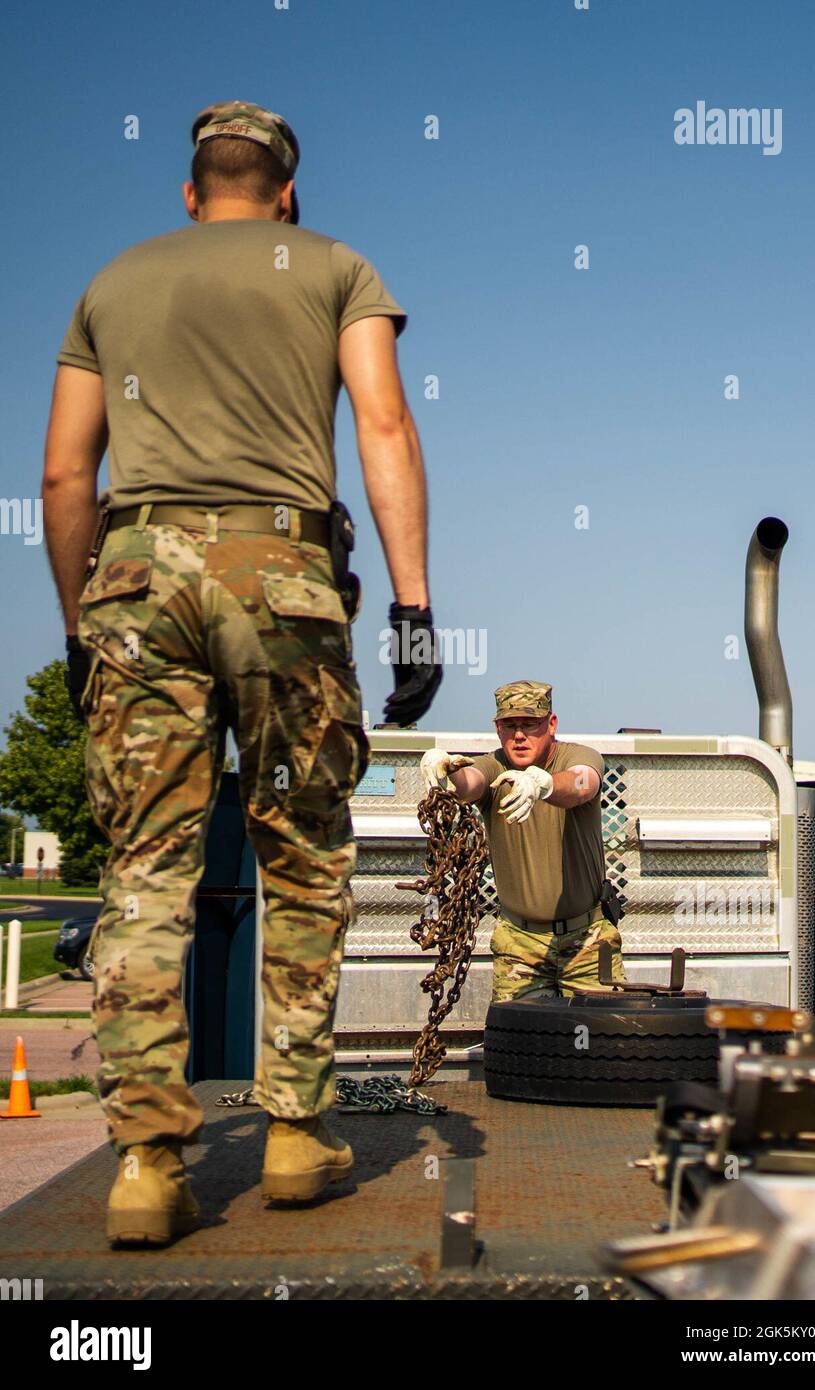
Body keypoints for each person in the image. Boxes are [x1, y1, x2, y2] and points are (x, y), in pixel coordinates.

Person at [42, 100, 441, 1246]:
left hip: (135, 579)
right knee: (302, 849)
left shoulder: (112, 282)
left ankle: (147, 1164)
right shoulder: (332, 266)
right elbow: (383, 424)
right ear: (284, 193)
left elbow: (67, 480)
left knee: (146, 864)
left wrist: (85, 631)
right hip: (283, 575)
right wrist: (413, 609)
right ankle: (293, 1132)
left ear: (189, 191)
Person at [420, 680, 626, 1000]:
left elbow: (583, 783)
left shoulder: (579, 758)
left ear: (551, 724)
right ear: (498, 728)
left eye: (530, 724)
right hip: (520, 945)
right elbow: (470, 782)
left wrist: (544, 786)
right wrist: (447, 771)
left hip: (587, 941)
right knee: (522, 1043)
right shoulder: (493, 766)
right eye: (509, 725)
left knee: (601, 1044)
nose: (519, 735)